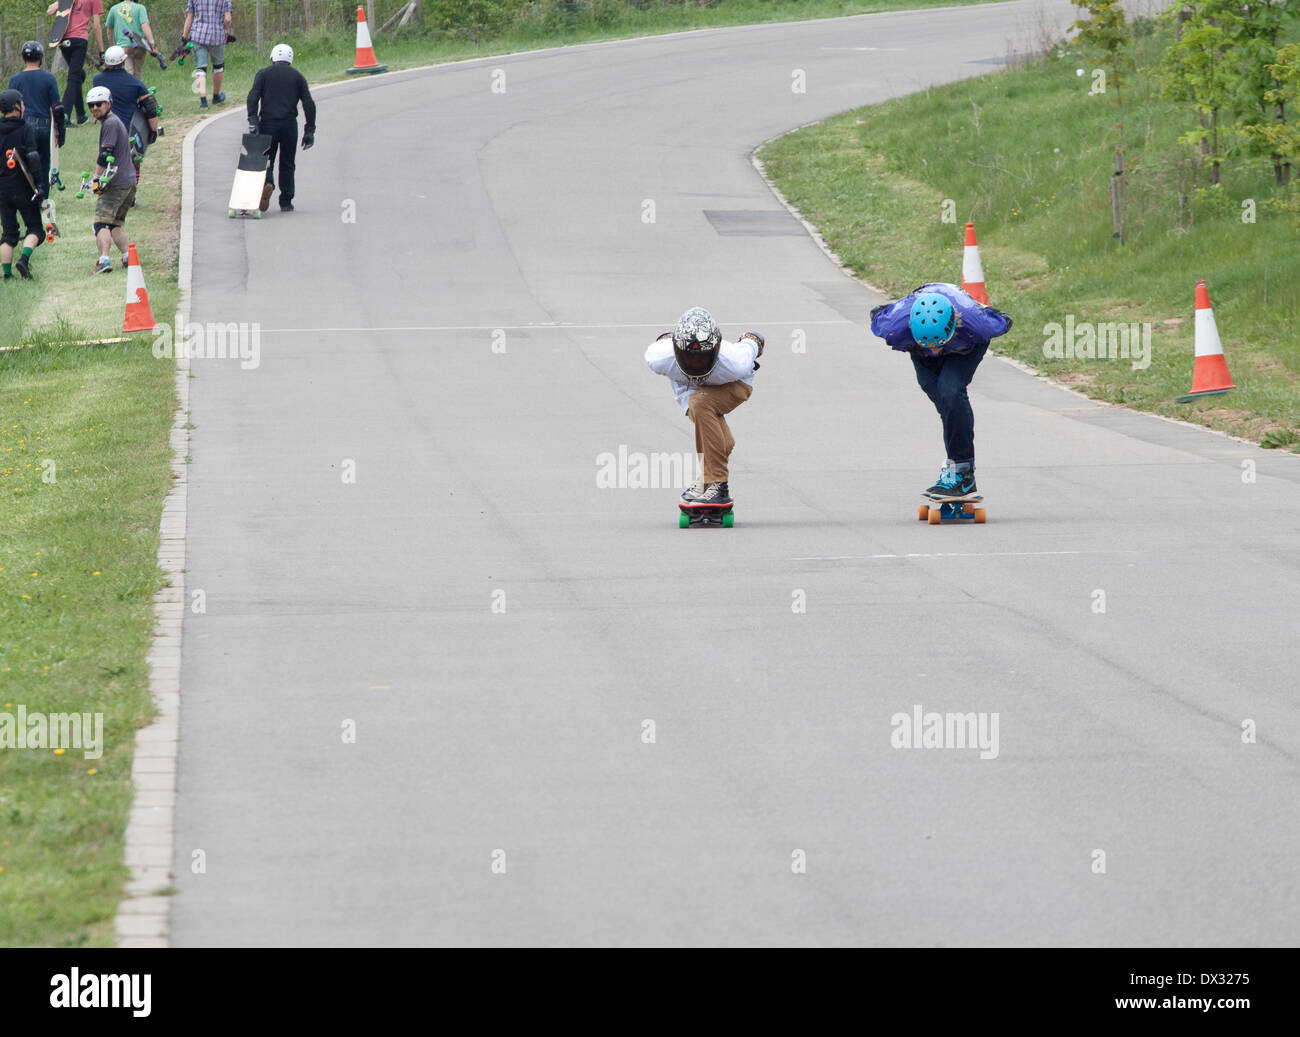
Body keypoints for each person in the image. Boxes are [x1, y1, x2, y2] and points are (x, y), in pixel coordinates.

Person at [870, 283, 1012, 501]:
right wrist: (922, 346)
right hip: (917, 341)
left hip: (965, 345)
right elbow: (877, 314)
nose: (935, 351)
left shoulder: (978, 324)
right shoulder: (893, 326)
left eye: (939, 344)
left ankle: (963, 476)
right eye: (928, 345)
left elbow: (1003, 320)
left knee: (951, 391)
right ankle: (953, 469)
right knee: (941, 399)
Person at [645, 307, 763, 505]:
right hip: (691, 392)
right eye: (689, 356)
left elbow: (752, 343)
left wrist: (752, 340)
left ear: (716, 351)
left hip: (734, 385)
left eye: (703, 357)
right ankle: (707, 479)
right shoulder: (659, 358)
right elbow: (663, 341)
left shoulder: (734, 361)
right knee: (716, 435)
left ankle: (716, 484)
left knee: (701, 403)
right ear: (676, 351)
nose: (696, 364)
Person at [246, 44, 316, 213]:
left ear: (273, 58)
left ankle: (268, 181)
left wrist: (253, 120)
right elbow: (309, 104)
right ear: (290, 59)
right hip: (289, 125)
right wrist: (309, 130)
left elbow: (253, 97)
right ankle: (286, 201)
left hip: (267, 123)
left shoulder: (263, 74)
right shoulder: (298, 77)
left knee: (266, 158)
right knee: (287, 162)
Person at [86, 84, 135, 274]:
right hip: (128, 182)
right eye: (91, 105)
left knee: (101, 223)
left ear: (109, 103)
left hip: (116, 183)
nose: (94, 108)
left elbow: (105, 154)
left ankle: (104, 260)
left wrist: (96, 178)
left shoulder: (110, 123)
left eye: (99, 104)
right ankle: (127, 257)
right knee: (115, 224)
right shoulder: (114, 121)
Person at [92, 45, 158, 182]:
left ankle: (106, 185)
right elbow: (150, 108)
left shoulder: (97, 81)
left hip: (107, 126)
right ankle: (131, 193)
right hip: (128, 127)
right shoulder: (135, 83)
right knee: (132, 160)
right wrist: (153, 131)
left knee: (108, 156)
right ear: (123, 61)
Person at [0, 90, 46, 281]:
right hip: (22, 188)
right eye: (22, 103)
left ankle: (7, 275)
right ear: (16, 107)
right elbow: (33, 158)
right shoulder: (25, 128)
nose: (24, 106)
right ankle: (24, 260)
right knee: (36, 229)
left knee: (9, 233)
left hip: (1, 189)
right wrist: (40, 184)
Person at [7, 41, 64, 189]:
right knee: (43, 162)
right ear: (40, 58)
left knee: (23, 162)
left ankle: (27, 194)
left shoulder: (15, 80)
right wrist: (61, 131)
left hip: (22, 126)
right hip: (43, 125)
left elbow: (10, 107)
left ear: (24, 58)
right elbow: (57, 108)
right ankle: (42, 195)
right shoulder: (49, 78)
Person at [47, 0, 105, 128]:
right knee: (74, 78)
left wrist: (60, 4)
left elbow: (50, 10)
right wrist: (102, 51)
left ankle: (81, 115)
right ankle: (64, 117)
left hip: (64, 41)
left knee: (78, 74)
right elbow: (96, 26)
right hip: (79, 40)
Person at [183, 0, 232, 110]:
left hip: (198, 35)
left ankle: (203, 102)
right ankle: (216, 96)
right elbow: (228, 19)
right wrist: (223, 28)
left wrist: (185, 35)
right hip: (217, 36)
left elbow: (190, 17)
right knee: (218, 67)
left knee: (200, 68)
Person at [105, 0, 156, 79]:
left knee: (128, 74)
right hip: (140, 46)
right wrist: (152, 43)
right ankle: (138, 89)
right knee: (138, 74)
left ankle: (129, 89)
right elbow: (145, 25)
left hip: (123, 48)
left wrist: (113, 46)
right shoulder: (140, 8)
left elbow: (109, 30)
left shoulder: (114, 9)